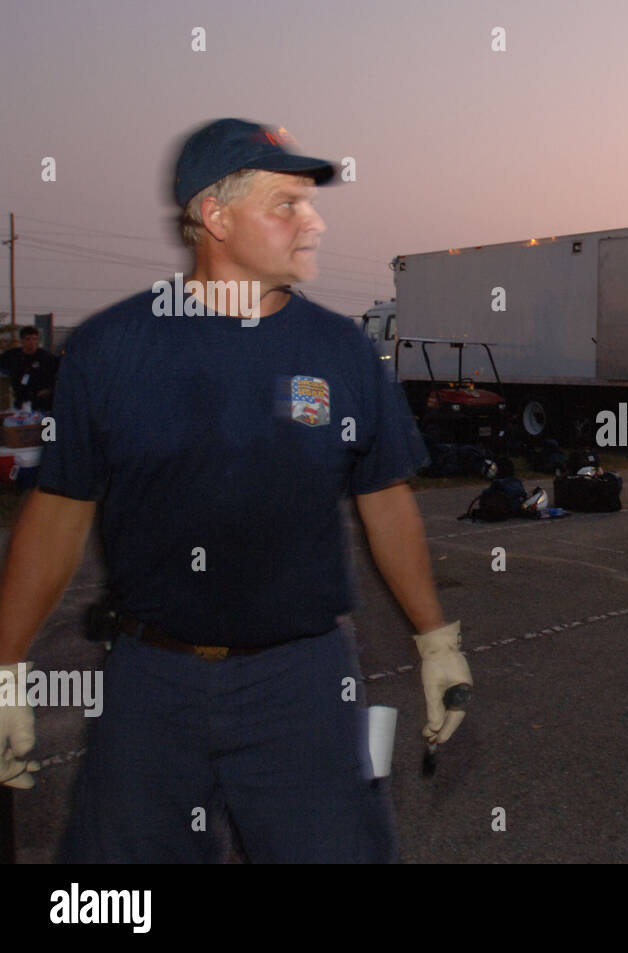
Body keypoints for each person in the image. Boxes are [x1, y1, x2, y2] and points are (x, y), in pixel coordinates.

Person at [0, 118, 472, 863]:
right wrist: (6, 665)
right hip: (148, 685)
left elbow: (385, 499)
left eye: (309, 202)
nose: (311, 220)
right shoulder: (111, 349)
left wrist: (435, 640)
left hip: (307, 684)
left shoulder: (340, 349)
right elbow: (58, 508)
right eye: (286, 204)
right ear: (214, 217)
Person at [0, 326, 58, 411]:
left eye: (35, 339)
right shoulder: (12, 355)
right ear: (22, 340)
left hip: (42, 401)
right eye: (28, 339)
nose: (32, 342)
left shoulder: (46, 357)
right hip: (21, 400)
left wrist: (49, 389)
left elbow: (60, 374)